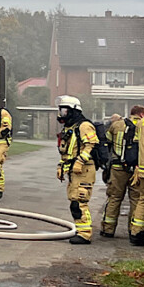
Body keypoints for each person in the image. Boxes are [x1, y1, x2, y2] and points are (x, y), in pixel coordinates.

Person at [55, 95, 98, 244]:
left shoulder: (84, 126)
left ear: (74, 111)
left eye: (65, 110)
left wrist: (80, 160)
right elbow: (67, 151)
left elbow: (91, 144)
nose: (62, 114)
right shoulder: (69, 128)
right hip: (74, 170)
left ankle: (85, 234)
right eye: (61, 110)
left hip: (84, 170)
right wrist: (61, 166)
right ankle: (81, 231)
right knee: (74, 200)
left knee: (79, 201)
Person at [102, 107, 143, 238]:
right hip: (136, 169)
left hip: (118, 167)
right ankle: (134, 230)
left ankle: (108, 229)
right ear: (141, 114)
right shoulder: (143, 125)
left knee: (114, 197)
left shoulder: (117, 124)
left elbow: (107, 141)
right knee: (136, 200)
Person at [129, 111, 144, 247]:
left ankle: (136, 233)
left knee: (143, 199)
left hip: (142, 168)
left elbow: (136, 142)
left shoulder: (142, 122)